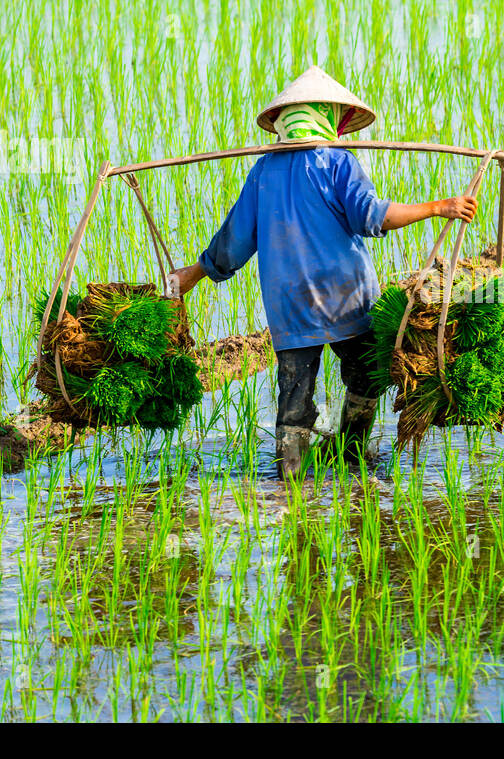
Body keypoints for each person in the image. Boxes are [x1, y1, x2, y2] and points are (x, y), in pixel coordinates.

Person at [170, 66, 477, 480]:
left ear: (284, 124)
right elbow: (372, 216)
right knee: (366, 377)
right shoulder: (338, 163)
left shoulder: (263, 172)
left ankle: (289, 483)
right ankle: (351, 459)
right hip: (346, 299)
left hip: (291, 309)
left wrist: (195, 273)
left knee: (294, 399)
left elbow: (235, 241)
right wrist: (437, 207)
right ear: (328, 118)